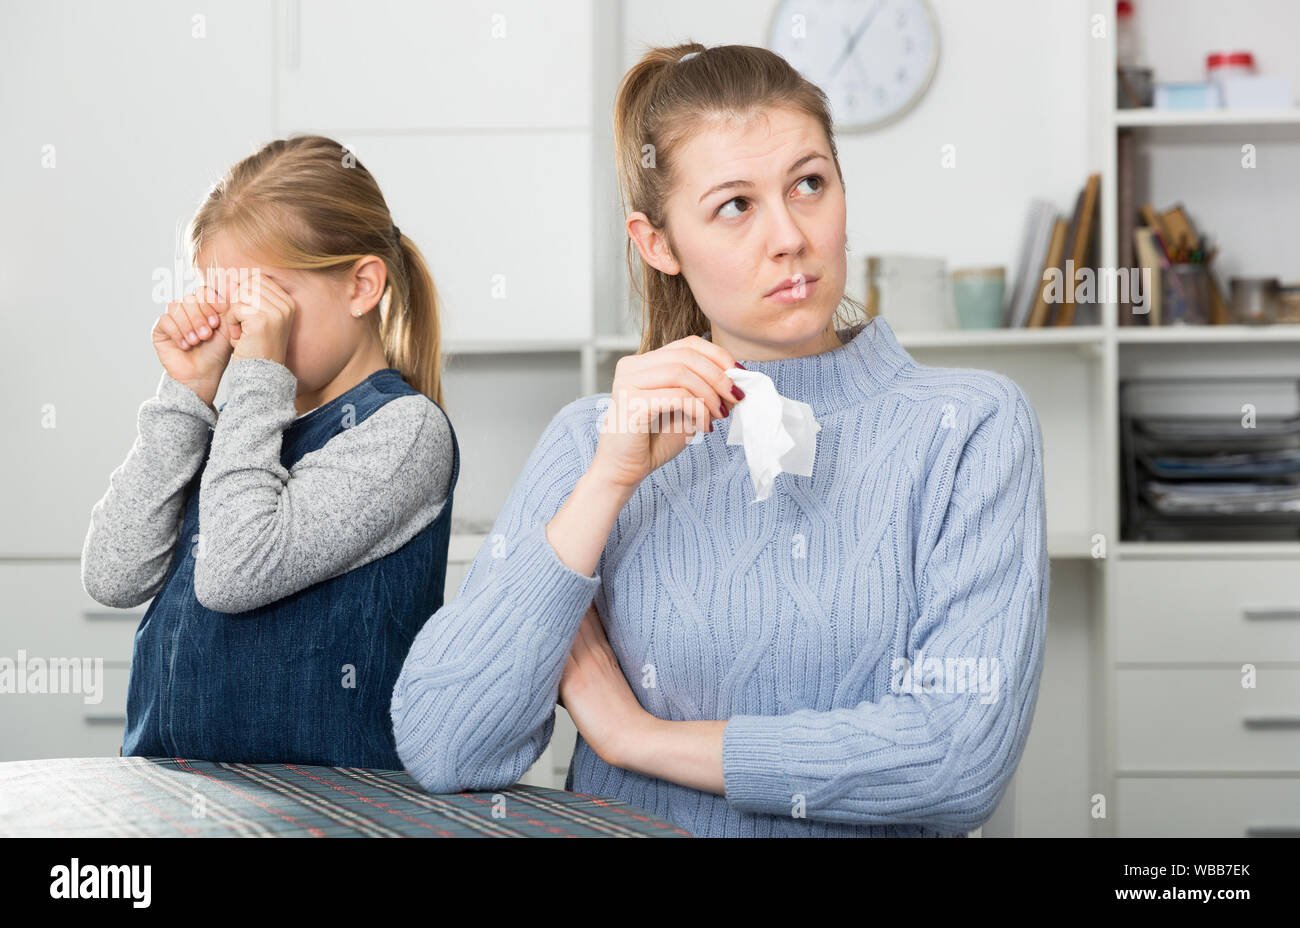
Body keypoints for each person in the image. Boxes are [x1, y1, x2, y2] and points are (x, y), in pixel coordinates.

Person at [391, 43, 1048, 837]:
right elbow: (445, 745)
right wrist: (606, 483)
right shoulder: (591, 442)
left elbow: (958, 758)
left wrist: (640, 739)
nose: (789, 237)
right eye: (735, 205)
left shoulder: (970, 427)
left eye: (810, 184)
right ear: (657, 243)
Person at [82, 135, 458, 769]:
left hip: (319, 808)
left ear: (362, 285)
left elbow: (235, 571)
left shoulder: (405, 433)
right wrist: (188, 394)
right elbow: (114, 576)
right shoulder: (240, 430)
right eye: (225, 305)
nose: (240, 333)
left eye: (263, 303)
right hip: (176, 792)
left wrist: (255, 377)